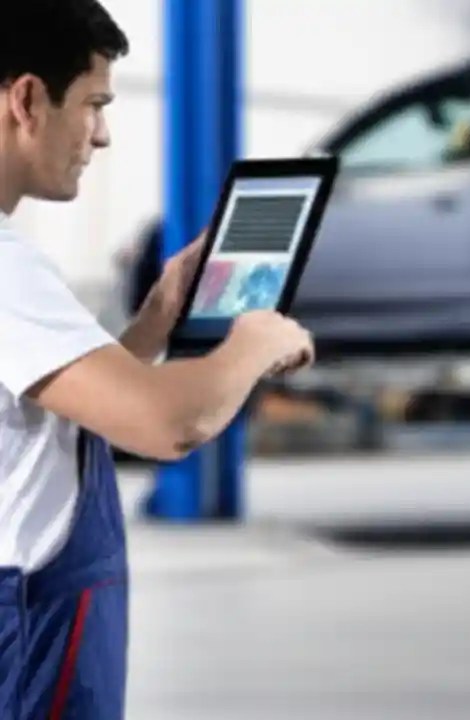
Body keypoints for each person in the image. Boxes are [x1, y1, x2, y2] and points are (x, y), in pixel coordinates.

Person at [0, 2, 315, 717]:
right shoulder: (8, 273)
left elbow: (76, 416)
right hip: (30, 634)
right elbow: (165, 424)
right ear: (26, 99)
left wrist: (158, 317)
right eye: (93, 104)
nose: (102, 135)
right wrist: (256, 340)